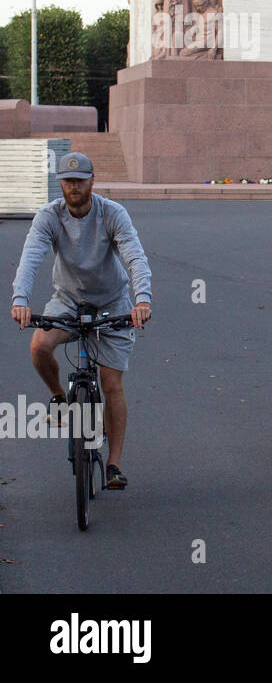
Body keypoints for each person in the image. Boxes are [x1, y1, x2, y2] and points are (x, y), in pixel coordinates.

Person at [11, 153, 152, 492]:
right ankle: (60, 398)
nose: (73, 187)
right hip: (68, 300)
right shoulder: (49, 216)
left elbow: (134, 254)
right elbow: (31, 256)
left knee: (110, 382)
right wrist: (20, 300)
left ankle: (114, 464)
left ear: (92, 181)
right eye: (67, 181)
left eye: (80, 180)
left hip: (112, 302)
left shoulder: (111, 213)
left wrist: (142, 299)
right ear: (60, 183)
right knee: (40, 345)